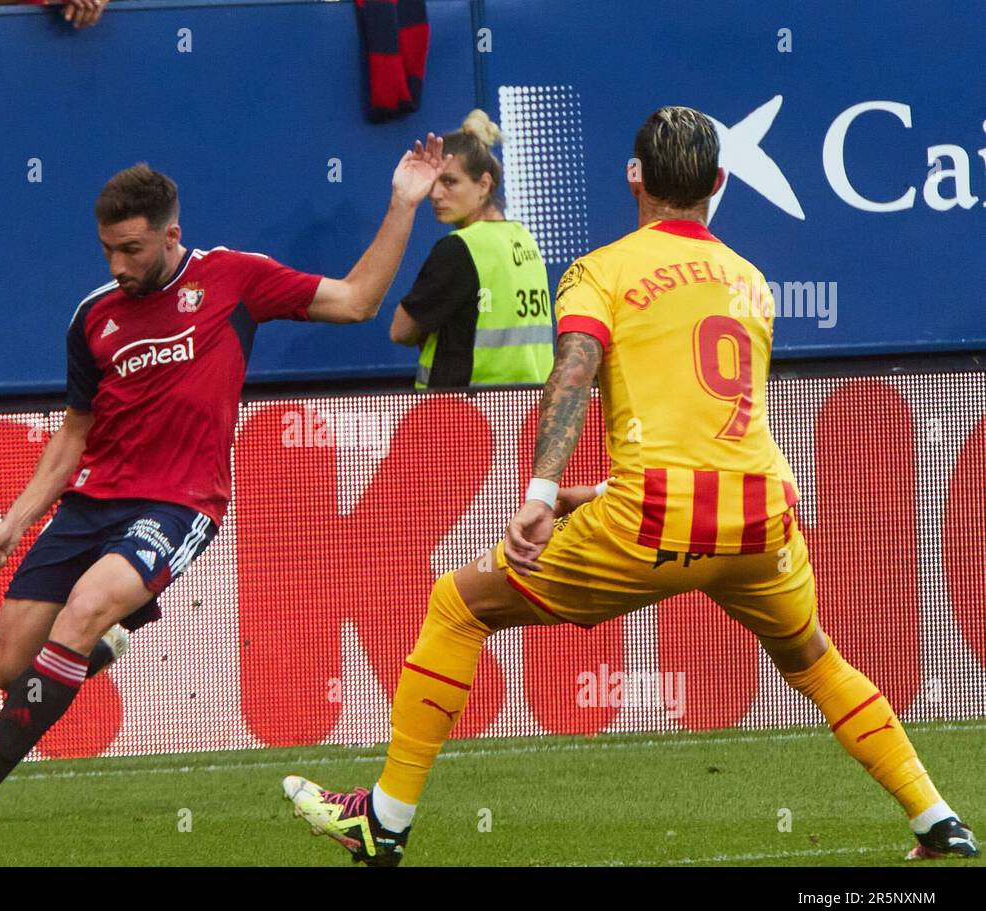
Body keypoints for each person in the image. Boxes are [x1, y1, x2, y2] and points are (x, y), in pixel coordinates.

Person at [284, 106, 979, 866]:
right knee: (814, 658)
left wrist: (544, 495)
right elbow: (708, 422)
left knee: (458, 606)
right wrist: (600, 492)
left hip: (652, 523)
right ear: (718, 183)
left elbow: (574, 374)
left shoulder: (600, 270)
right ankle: (935, 817)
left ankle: (382, 825)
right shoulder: (750, 281)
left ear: (633, 178)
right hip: (758, 518)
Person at [0, 139, 448, 826]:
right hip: (93, 501)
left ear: (172, 234)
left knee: (85, 608)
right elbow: (74, 434)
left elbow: (357, 302)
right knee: (6, 669)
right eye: (107, 250)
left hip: (180, 502)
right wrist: (16, 517)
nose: (118, 266)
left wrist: (401, 204)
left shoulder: (234, 279)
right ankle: (100, 644)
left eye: (132, 250)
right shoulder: (94, 318)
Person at [390, 109, 553, 389]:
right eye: (434, 182)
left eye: (450, 181)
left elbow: (400, 331)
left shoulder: (460, 248)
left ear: (484, 184)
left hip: (466, 413)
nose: (436, 194)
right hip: (527, 406)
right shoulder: (524, 238)